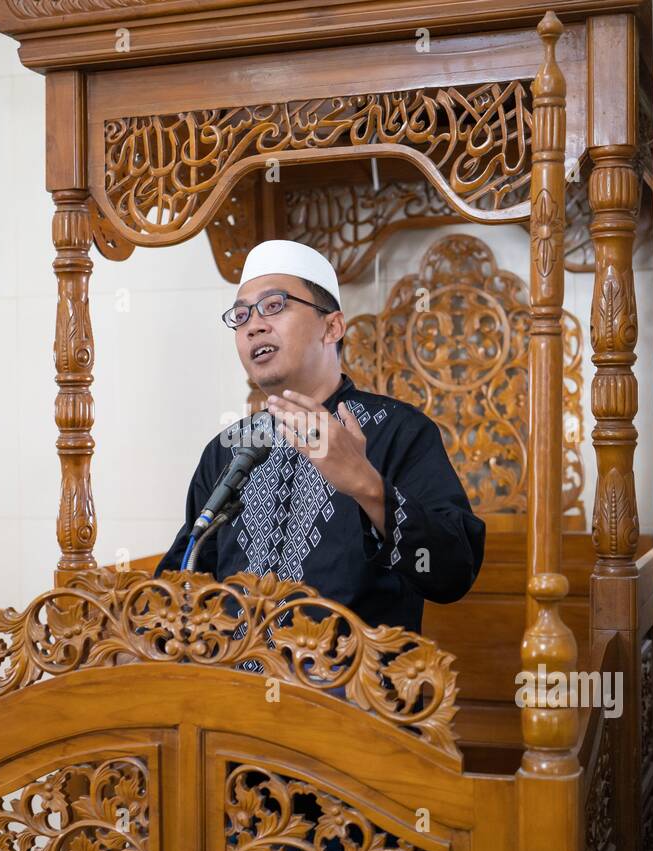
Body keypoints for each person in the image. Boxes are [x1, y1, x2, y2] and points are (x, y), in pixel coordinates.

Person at [155, 239, 485, 673]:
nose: (253, 326)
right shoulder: (227, 451)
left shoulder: (400, 432)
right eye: (241, 315)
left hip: (352, 714)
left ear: (333, 327)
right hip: (232, 716)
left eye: (274, 306)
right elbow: (182, 574)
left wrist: (367, 486)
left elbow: (452, 573)